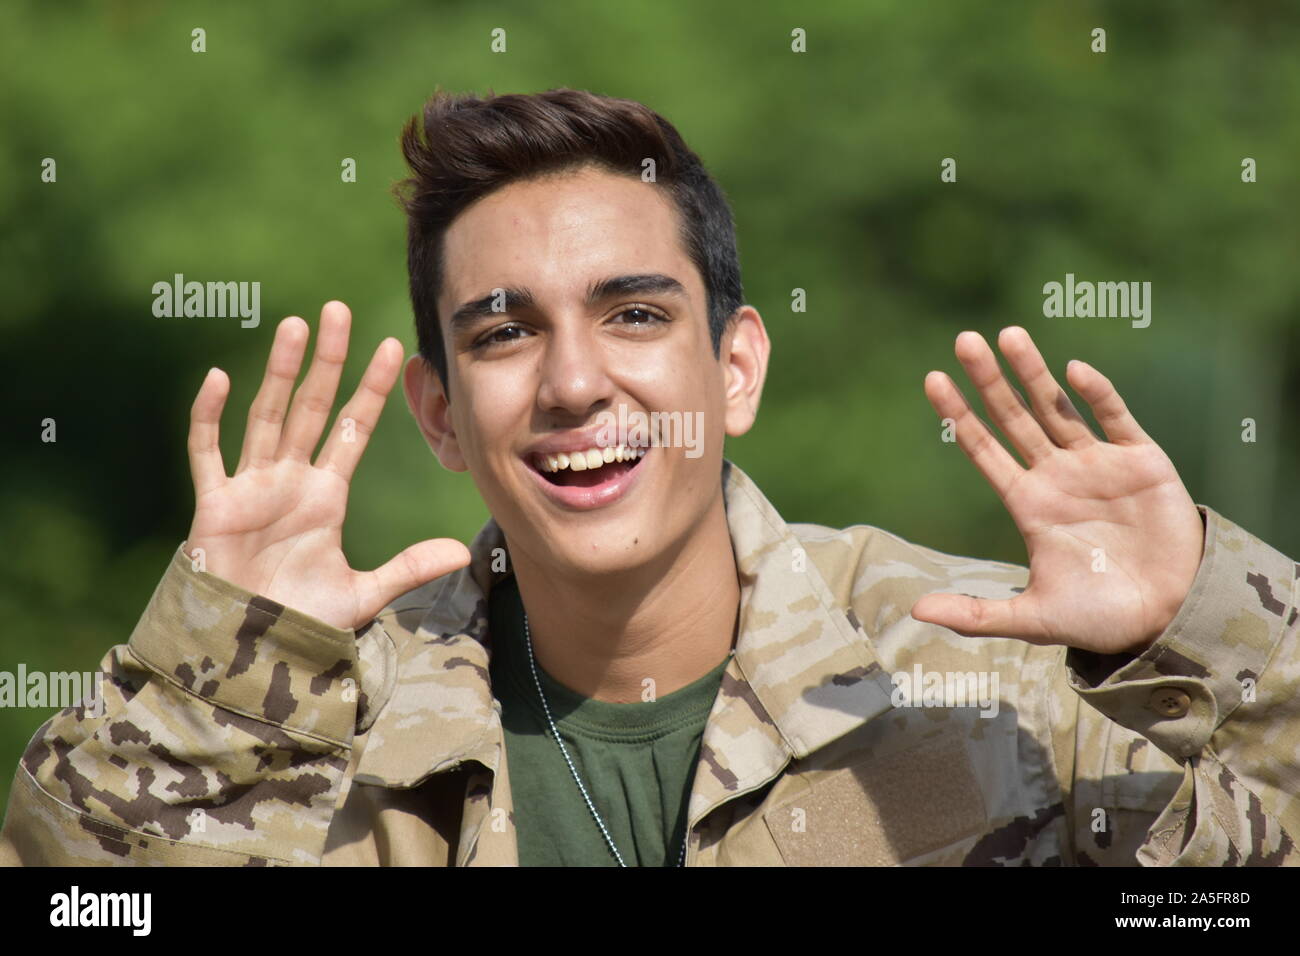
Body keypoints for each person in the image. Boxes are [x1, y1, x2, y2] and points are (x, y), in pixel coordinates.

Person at [2, 88, 1296, 866]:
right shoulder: (317, 720)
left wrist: (1203, 625)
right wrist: (204, 680)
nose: (572, 385)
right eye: (505, 332)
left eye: (632, 315)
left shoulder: (985, 684)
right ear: (441, 417)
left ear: (735, 368)